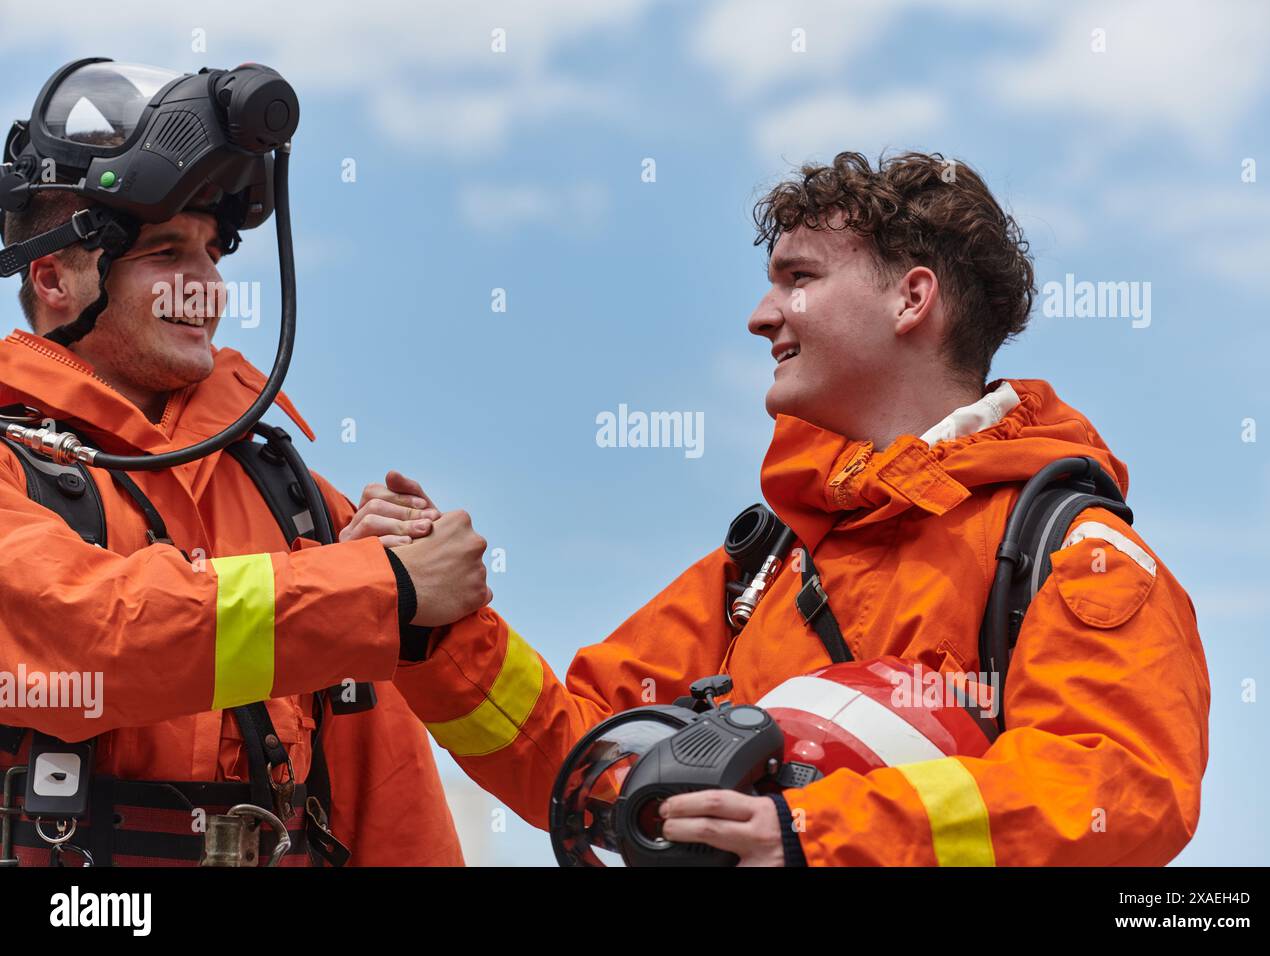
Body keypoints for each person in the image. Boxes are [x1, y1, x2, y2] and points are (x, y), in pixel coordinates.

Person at [386, 151, 1211, 866]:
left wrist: (811, 835)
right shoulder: (764, 563)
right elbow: (584, 755)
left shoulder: (1071, 551)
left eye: (800, 277)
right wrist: (429, 622)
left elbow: (1121, 788)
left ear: (912, 299)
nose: (760, 316)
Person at [0, 59, 491, 866]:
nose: (206, 286)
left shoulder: (288, 491)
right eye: (166, 252)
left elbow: (391, 794)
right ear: (54, 278)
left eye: (214, 253)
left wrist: (385, 592)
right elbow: (90, 640)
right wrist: (385, 587)